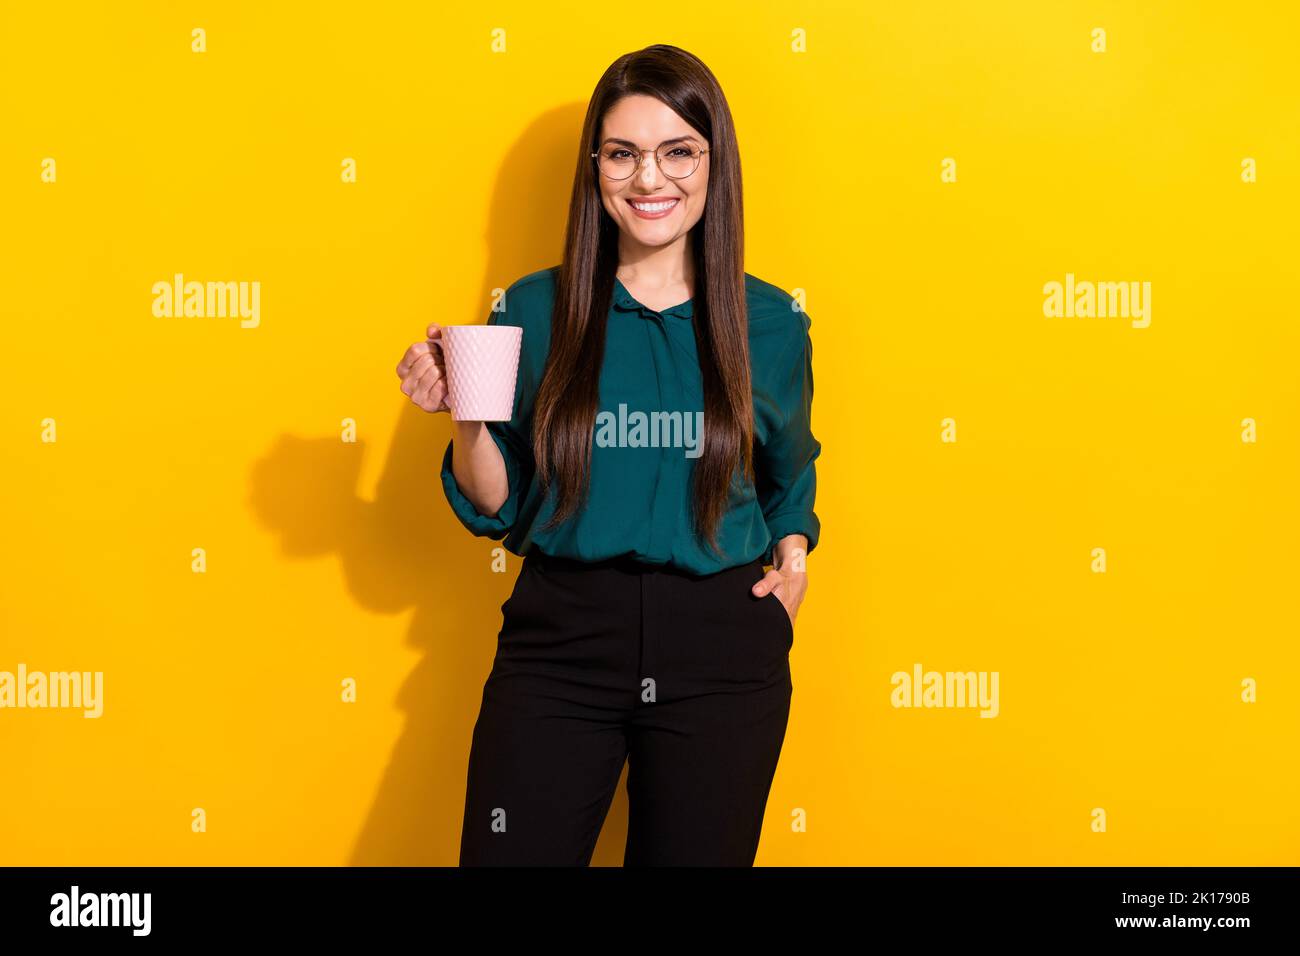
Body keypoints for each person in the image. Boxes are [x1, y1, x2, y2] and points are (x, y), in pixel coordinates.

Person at [395, 44, 821, 866]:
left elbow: (790, 469)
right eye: (623, 153)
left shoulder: (770, 325)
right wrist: (465, 418)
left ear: (713, 162)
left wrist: (793, 558)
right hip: (561, 641)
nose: (649, 180)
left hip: (721, 647)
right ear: (596, 168)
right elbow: (498, 503)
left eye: (677, 152)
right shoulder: (534, 309)